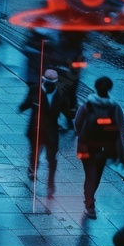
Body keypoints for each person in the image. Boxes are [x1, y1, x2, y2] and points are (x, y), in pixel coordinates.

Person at [73, 76, 124, 219]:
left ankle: (89, 204)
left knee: (90, 175)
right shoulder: (115, 107)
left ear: (95, 88)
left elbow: (77, 123)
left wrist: (83, 139)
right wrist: (122, 152)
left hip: (87, 147)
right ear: (109, 89)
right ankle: (90, 202)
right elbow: (121, 129)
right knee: (96, 176)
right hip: (105, 149)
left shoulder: (88, 106)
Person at [18, 70, 73, 199]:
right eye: (48, 83)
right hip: (35, 129)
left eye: (52, 83)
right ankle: (32, 168)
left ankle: (50, 183)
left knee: (52, 159)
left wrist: (76, 114)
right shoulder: (34, 89)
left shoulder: (62, 92)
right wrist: (30, 104)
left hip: (52, 132)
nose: (50, 86)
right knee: (35, 152)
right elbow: (23, 106)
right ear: (44, 81)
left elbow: (67, 111)